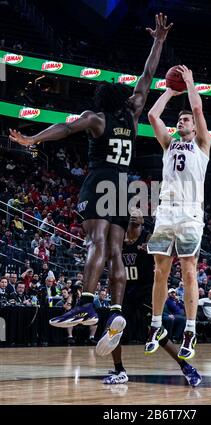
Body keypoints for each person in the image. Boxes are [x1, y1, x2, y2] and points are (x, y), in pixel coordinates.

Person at [9, 13, 173, 357]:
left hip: (100, 180)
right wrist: (158, 41)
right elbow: (146, 76)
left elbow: (65, 129)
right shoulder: (133, 112)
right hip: (124, 186)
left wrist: (31, 139)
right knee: (115, 251)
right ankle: (115, 310)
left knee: (95, 241)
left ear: (100, 101)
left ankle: (85, 302)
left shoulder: (95, 118)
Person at [145, 65, 211, 360]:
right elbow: (152, 116)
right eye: (179, 119)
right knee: (160, 271)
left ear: (194, 127)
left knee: (188, 272)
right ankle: (156, 325)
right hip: (166, 212)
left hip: (189, 214)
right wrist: (170, 91)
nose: (181, 121)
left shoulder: (202, 145)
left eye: (185, 120)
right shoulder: (169, 144)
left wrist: (190, 82)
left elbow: (197, 108)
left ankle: (191, 330)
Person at [103, 210, 202, 387]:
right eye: (130, 212)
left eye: (137, 213)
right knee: (114, 328)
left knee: (158, 333)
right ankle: (119, 371)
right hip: (125, 291)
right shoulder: (118, 240)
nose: (133, 214)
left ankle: (186, 367)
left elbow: (164, 265)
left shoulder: (150, 238)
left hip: (146, 291)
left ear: (143, 220)